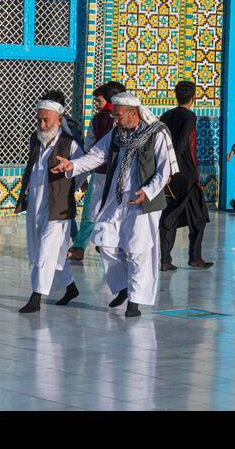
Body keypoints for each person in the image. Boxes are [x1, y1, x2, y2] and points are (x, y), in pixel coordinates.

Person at [53, 92, 177, 318]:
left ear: (133, 113)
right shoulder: (117, 134)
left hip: (143, 202)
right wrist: (71, 165)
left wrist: (147, 192)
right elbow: (97, 155)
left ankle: (135, 301)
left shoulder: (156, 133)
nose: (115, 120)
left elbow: (164, 169)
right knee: (104, 242)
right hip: (116, 198)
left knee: (137, 250)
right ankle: (122, 287)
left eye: (118, 116)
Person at [16, 92, 85, 313]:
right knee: (42, 250)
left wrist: (72, 183)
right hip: (36, 202)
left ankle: (36, 297)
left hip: (58, 207)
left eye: (46, 120)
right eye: (39, 119)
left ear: (58, 119)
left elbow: (83, 168)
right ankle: (71, 288)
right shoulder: (35, 138)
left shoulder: (70, 144)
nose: (42, 124)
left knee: (46, 250)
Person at [159, 80, 212, 270]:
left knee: (169, 214)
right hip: (186, 174)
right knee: (199, 217)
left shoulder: (166, 115)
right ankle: (194, 257)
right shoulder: (190, 117)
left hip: (168, 172)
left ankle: (166, 260)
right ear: (193, 97)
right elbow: (182, 144)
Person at [69, 80, 124, 263]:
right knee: (111, 212)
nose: (97, 105)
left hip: (100, 173)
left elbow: (89, 146)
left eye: (98, 101)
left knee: (92, 212)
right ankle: (104, 246)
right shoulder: (123, 119)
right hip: (115, 174)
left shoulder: (99, 119)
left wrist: (85, 170)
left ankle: (81, 247)